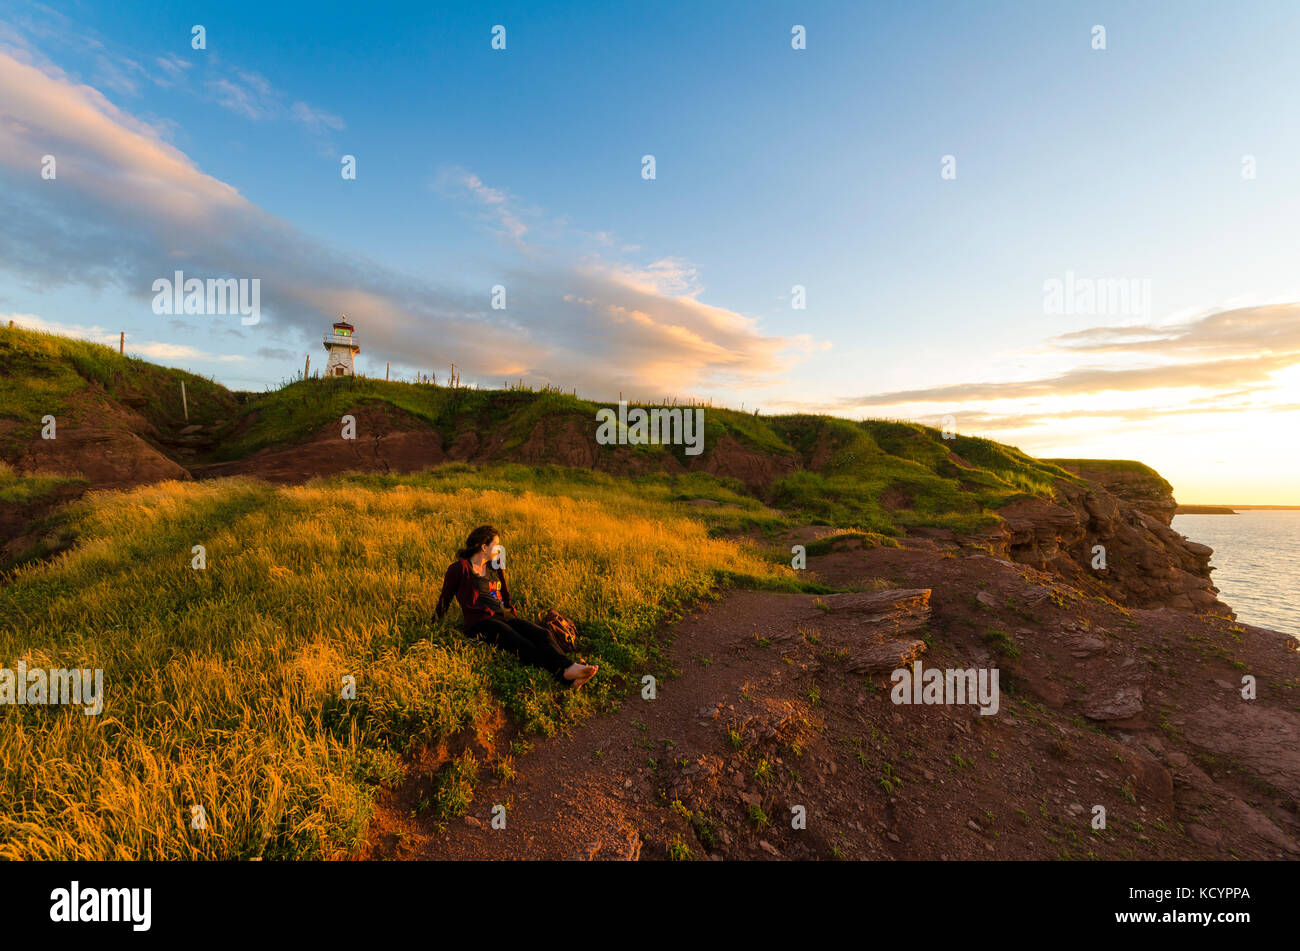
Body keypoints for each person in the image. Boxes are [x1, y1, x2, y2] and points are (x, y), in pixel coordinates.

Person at [435, 525, 598, 688]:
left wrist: (510, 610)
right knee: (521, 642)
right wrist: (435, 624)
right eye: (496, 545)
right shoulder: (460, 568)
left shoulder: (495, 564)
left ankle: (570, 672)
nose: (500, 549)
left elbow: (504, 590)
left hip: (504, 615)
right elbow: (445, 597)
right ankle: (566, 674)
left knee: (542, 634)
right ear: (484, 547)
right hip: (480, 622)